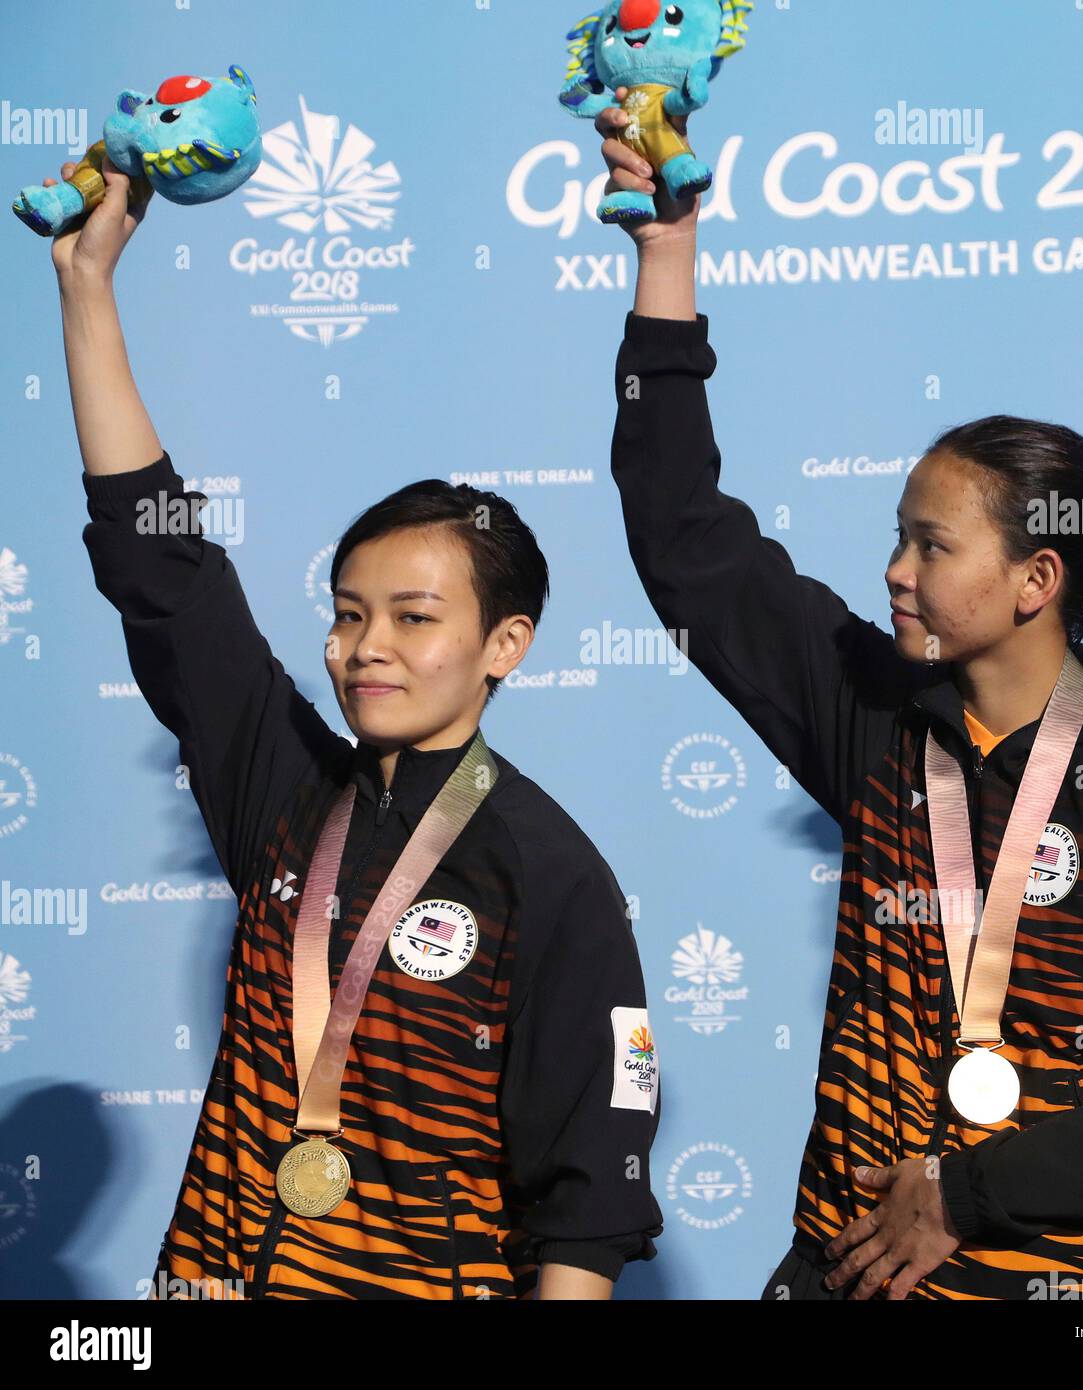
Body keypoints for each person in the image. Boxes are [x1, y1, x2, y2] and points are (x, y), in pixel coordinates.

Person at [593, 95, 1083, 1301]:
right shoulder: (870, 711)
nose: (893, 572)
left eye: (929, 546)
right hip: (838, 1274)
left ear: (1032, 578)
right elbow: (680, 534)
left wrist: (968, 1189)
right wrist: (667, 256)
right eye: (895, 538)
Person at [51, 155, 662, 1300]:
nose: (365, 645)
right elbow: (164, 569)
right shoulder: (285, 789)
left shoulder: (551, 870)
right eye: (346, 614)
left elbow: (586, 1203)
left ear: (505, 643)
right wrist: (87, 289)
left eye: (413, 617)